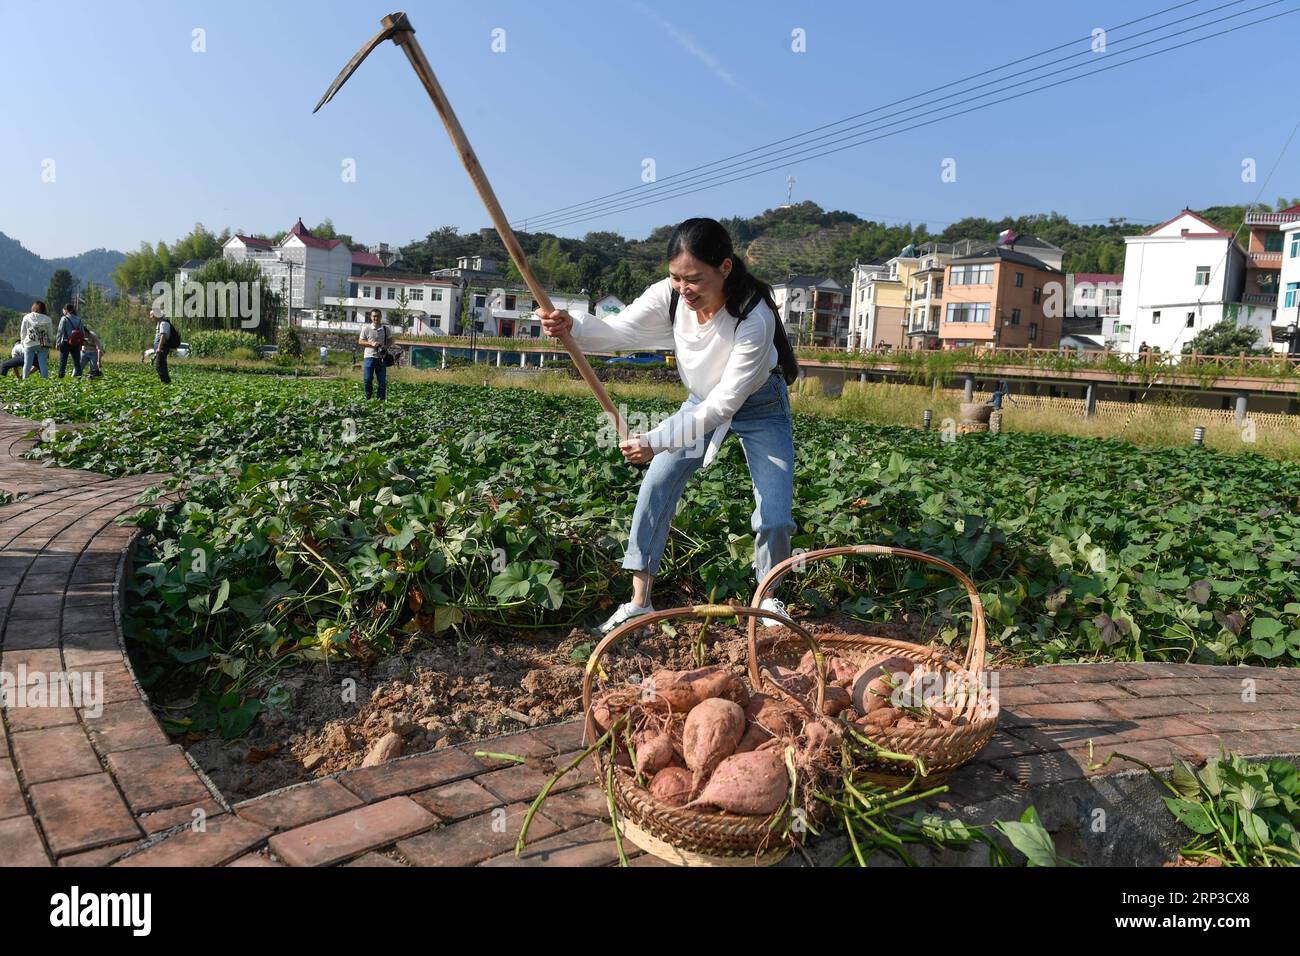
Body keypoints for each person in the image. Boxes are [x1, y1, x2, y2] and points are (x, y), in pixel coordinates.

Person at [536, 218, 798, 635]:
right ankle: (639, 602)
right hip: (699, 402)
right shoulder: (670, 296)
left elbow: (724, 403)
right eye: (676, 277)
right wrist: (574, 326)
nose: (683, 288)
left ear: (725, 268)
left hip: (759, 404)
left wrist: (655, 440)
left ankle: (768, 599)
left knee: (775, 513)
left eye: (693, 279)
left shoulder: (754, 315)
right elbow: (619, 331)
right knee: (657, 485)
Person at [357, 309, 393, 400]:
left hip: (381, 358)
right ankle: (367, 399)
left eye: (377, 316)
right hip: (369, 357)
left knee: (382, 382)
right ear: (371, 317)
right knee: (367, 379)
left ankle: (380, 402)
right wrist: (372, 344)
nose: (376, 318)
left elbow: (391, 340)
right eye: (374, 316)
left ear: (381, 317)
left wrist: (385, 346)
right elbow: (360, 341)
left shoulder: (386, 329)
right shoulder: (366, 328)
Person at [19, 301, 55, 379]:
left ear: (33, 307)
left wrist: (22, 342)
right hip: (43, 343)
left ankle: (25, 380)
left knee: (27, 364)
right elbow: (50, 333)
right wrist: (51, 341)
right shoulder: (48, 319)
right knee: (43, 364)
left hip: (29, 343)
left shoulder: (27, 317)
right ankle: (45, 381)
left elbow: (23, 331)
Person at [55, 303, 86, 378]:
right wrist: (81, 344)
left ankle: (61, 377)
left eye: (63, 309)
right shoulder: (79, 319)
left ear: (66, 310)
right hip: (76, 343)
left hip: (66, 342)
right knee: (77, 363)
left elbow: (60, 331)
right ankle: (78, 377)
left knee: (63, 362)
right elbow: (82, 332)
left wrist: (57, 343)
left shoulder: (64, 318)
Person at [151, 309, 172, 384]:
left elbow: (163, 336)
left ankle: (166, 382)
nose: (151, 317)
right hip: (160, 349)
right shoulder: (160, 323)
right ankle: (165, 382)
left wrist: (159, 348)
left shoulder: (163, 323)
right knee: (160, 365)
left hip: (162, 348)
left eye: (152, 315)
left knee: (160, 366)